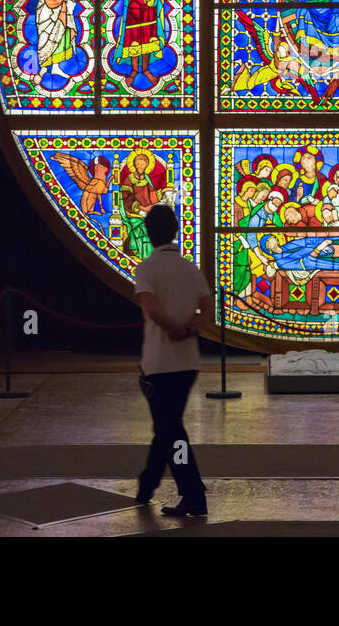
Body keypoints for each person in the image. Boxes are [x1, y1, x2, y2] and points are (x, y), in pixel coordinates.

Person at [134, 205, 213, 516]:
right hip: (188, 363)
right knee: (167, 429)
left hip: (159, 363)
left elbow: (151, 310)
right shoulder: (189, 269)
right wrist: (192, 328)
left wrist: (174, 329)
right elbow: (209, 309)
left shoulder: (146, 268)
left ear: (148, 233)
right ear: (176, 231)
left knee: (171, 431)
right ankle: (147, 485)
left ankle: (193, 494)